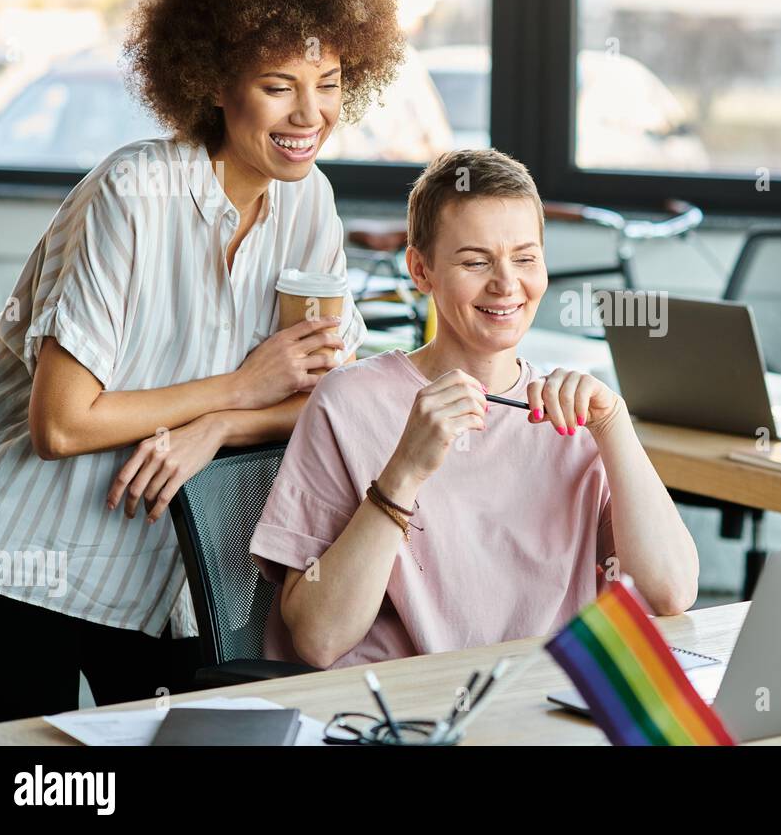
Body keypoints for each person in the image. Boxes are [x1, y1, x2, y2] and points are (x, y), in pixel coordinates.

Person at [0, 0, 405, 727]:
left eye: (332, 81)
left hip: (161, 566)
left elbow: (329, 397)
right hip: (12, 555)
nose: (311, 114)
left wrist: (216, 427)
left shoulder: (311, 204)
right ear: (212, 80)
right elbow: (60, 424)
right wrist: (237, 388)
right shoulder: (132, 193)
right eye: (280, 85)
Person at [249, 149, 700, 669]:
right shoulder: (348, 402)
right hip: (406, 711)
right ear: (421, 270)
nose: (506, 284)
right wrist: (404, 472)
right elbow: (318, 639)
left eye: (525, 259)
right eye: (475, 261)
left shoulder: (577, 415)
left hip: (542, 704)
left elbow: (670, 593)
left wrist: (614, 427)